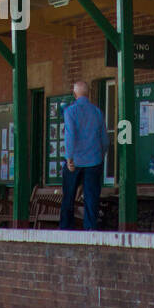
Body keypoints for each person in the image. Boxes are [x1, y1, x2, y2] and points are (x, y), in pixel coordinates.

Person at [60, 81, 107, 231]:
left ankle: (66, 228)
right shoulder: (97, 112)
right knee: (91, 198)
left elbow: (70, 136)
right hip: (94, 160)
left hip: (75, 161)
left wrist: (69, 158)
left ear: (74, 95)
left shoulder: (70, 111)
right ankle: (90, 229)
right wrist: (101, 155)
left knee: (69, 197)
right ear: (89, 94)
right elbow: (105, 140)